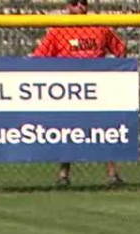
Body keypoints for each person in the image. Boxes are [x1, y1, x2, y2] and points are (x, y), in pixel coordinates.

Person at [31, 0, 127, 187]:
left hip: (96, 89)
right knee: (69, 132)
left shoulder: (99, 27)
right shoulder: (59, 30)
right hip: (70, 90)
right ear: (68, 6)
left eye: (83, 3)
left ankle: (112, 174)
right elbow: (40, 57)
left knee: (103, 131)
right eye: (75, 3)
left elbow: (120, 51)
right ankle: (63, 175)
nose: (80, 7)